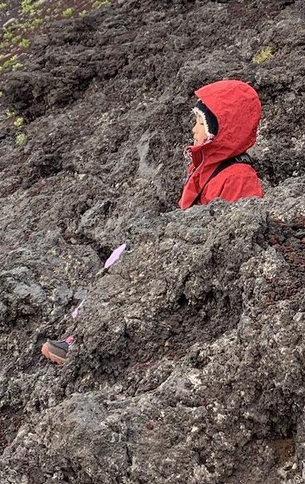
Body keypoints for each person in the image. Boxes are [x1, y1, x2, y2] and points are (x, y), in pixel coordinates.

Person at [40, 78, 262, 364]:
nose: (193, 129)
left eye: (200, 122)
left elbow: (235, 234)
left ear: (220, 129)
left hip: (195, 267)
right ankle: (80, 333)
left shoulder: (237, 177)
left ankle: (85, 344)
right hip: (183, 253)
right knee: (122, 256)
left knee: (132, 271)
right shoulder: (208, 167)